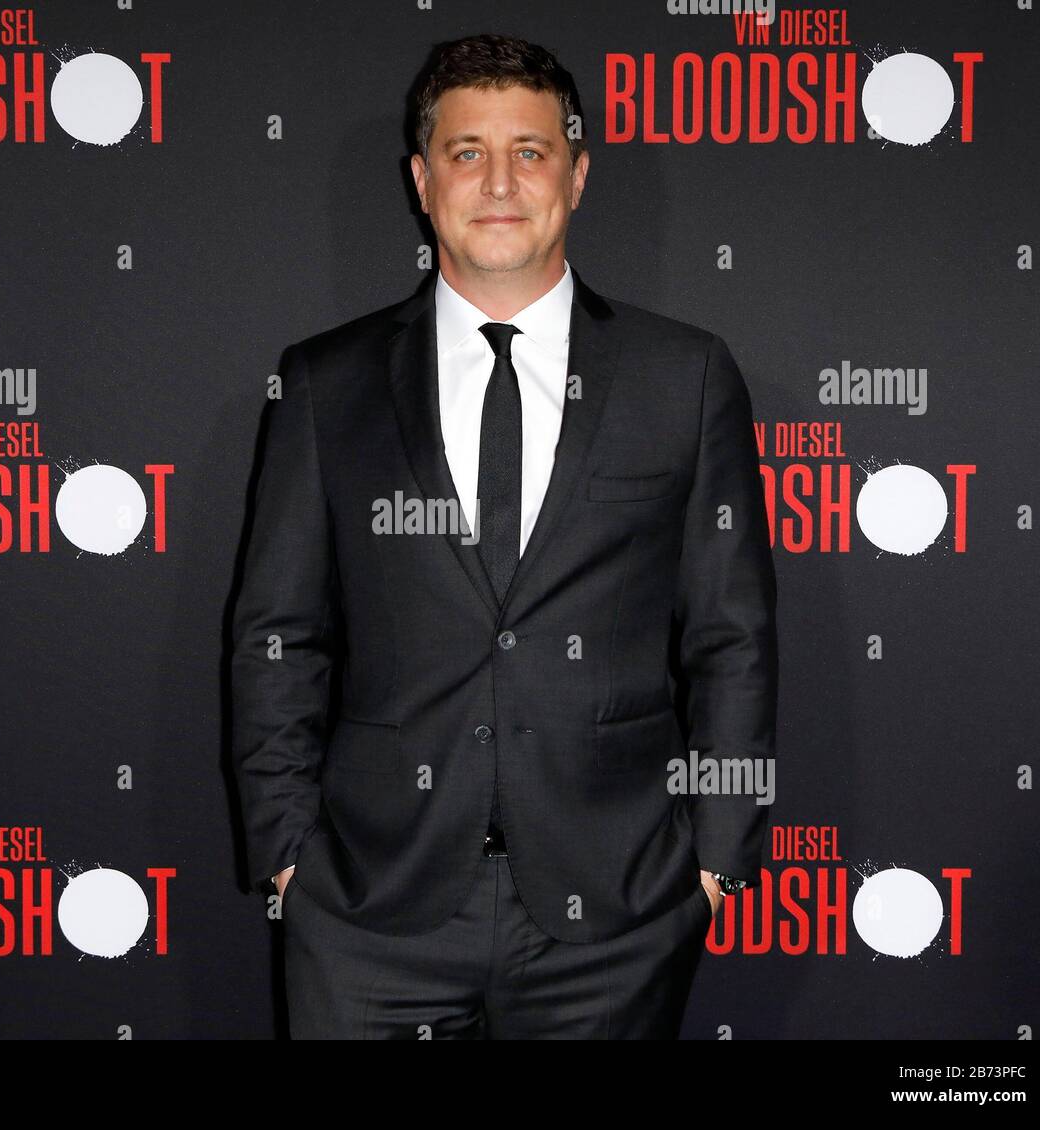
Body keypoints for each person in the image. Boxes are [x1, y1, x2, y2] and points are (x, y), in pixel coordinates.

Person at [231, 32, 778, 1039]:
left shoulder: (682, 375)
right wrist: (288, 854)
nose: (497, 179)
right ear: (421, 179)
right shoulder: (325, 382)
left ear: (574, 173)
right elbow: (279, 633)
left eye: (528, 150)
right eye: (465, 150)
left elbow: (729, 634)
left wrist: (713, 861)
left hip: (614, 910)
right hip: (366, 906)